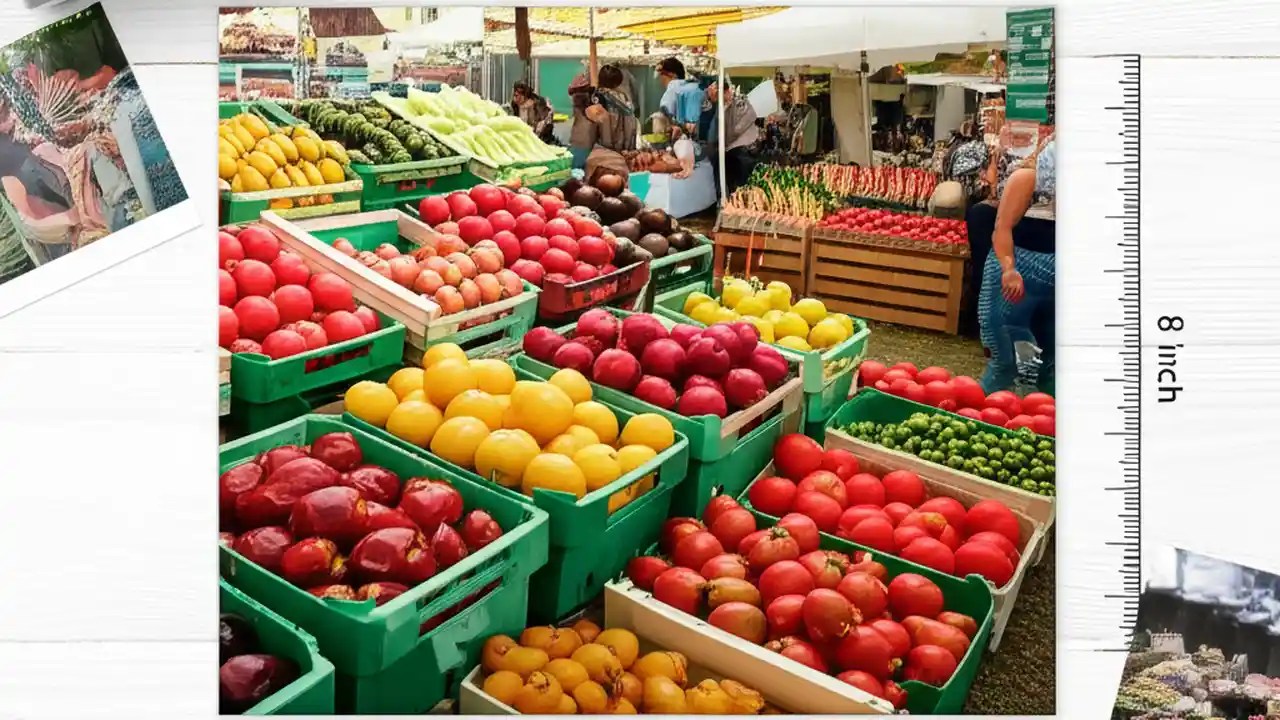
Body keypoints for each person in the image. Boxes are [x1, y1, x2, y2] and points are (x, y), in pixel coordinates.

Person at [978, 133, 1056, 394]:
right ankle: (989, 401)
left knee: (1049, 361)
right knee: (1004, 358)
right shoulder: (1026, 178)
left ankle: (1043, 407)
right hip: (1019, 267)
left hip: (1053, 277)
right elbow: (1002, 228)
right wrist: (1008, 268)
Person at [582, 64, 638, 184]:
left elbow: (591, 127)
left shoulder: (596, 97)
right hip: (624, 151)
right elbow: (631, 124)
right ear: (618, 81)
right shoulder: (625, 98)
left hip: (603, 150)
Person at [704, 80, 759, 197]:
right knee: (731, 184)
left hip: (742, 149)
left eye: (718, 94)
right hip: (728, 150)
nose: (717, 98)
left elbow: (738, 128)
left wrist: (725, 141)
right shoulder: (720, 107)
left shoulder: (740, 103)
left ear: (727, 91)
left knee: (743, 185)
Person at [656, 57, 704, 139]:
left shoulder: (673, 88)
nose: (660, 78)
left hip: (678, 140)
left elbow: (665, 112)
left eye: (661, 74)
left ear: (672, 74)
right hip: (693, 139)